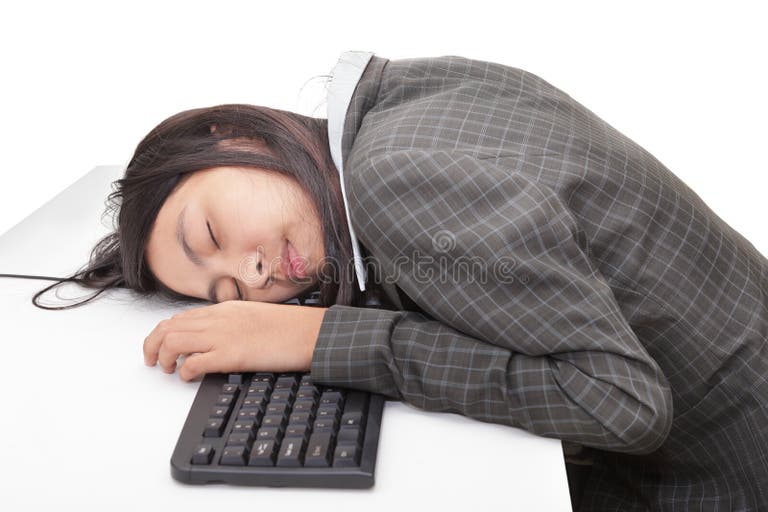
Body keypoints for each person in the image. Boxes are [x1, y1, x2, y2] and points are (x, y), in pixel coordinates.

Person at [33, 51, 768, 510]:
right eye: (230, 294)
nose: (253, 276)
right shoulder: (404, 101)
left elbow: (621, 405)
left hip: (721, 476)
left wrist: (322, 336)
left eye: (213, 237)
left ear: (241, 139)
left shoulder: (394, 182)